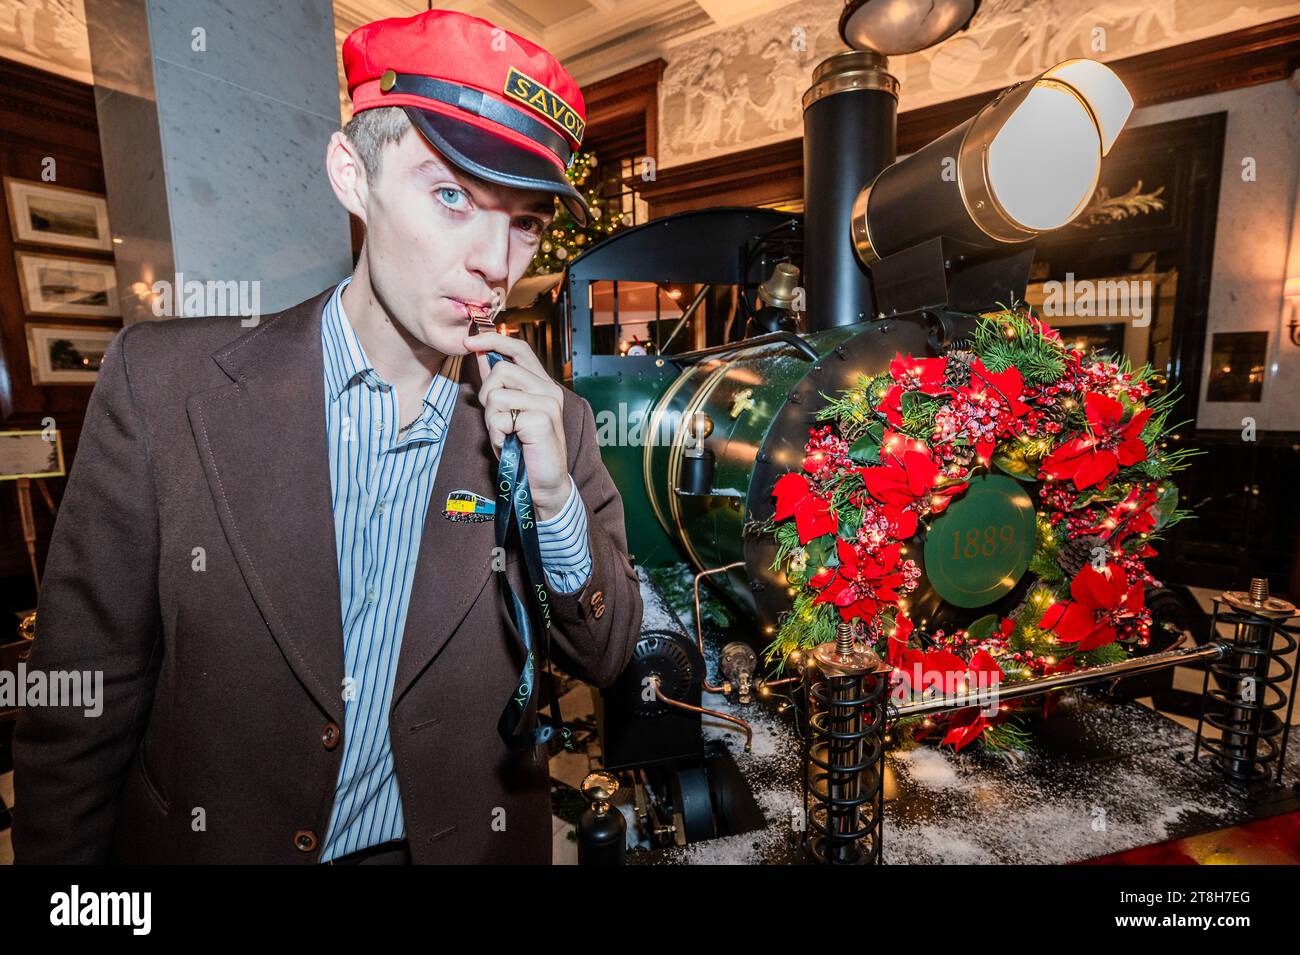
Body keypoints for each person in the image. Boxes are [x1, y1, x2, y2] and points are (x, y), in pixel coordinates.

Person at [12, 7, 643, 865]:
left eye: (525, 221)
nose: (497, 261)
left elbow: (606, 654)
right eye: (452, 194)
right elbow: (80, 710)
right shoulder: (165, 387)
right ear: (353, 175)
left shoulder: (554, 424)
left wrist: (553, 497)